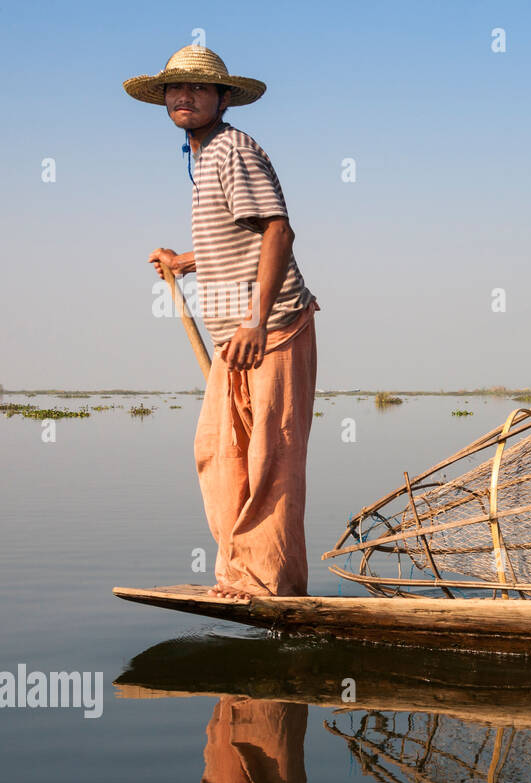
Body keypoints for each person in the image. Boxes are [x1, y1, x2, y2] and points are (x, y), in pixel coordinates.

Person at [124, 46, 319, 599]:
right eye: (175, 89)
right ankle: (242, 574)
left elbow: (279, 232)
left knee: (271, 459)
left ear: (224, 98)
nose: (184, 97)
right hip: (233, 337)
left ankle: (268, 583)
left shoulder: (234, 151)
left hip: (273, 328)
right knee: (219, 455)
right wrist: (185, 262)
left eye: (199, 89)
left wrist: (257, 321)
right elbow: (239, 238)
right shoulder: (204, 156)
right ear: (163, 100)